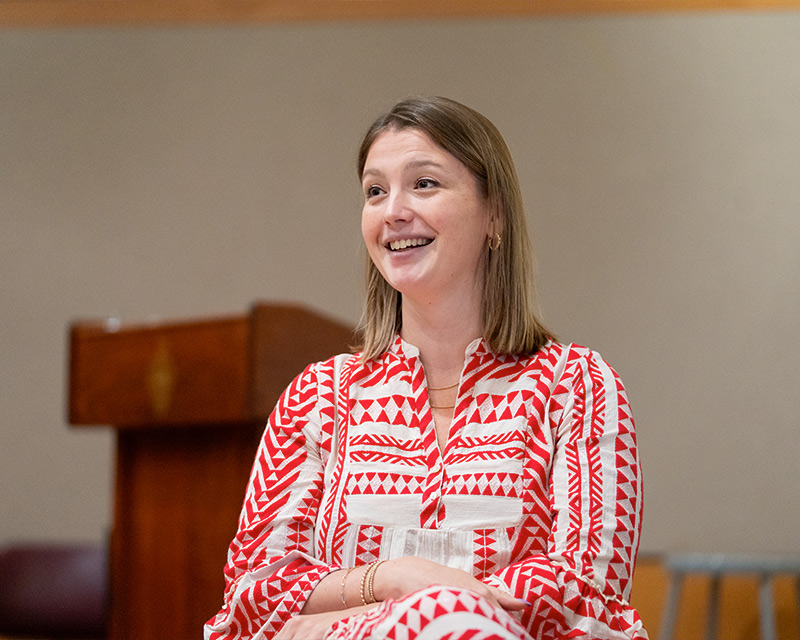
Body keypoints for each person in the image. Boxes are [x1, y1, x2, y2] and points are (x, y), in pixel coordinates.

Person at [205, 96, 648, 640]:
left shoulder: (578, 386)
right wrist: (391, 580)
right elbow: (254, 594)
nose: (393, 211)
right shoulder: (317, 397)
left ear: (495, 214)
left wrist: (429, 609)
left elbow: (588, 593)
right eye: (375, 191)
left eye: (424, 183)